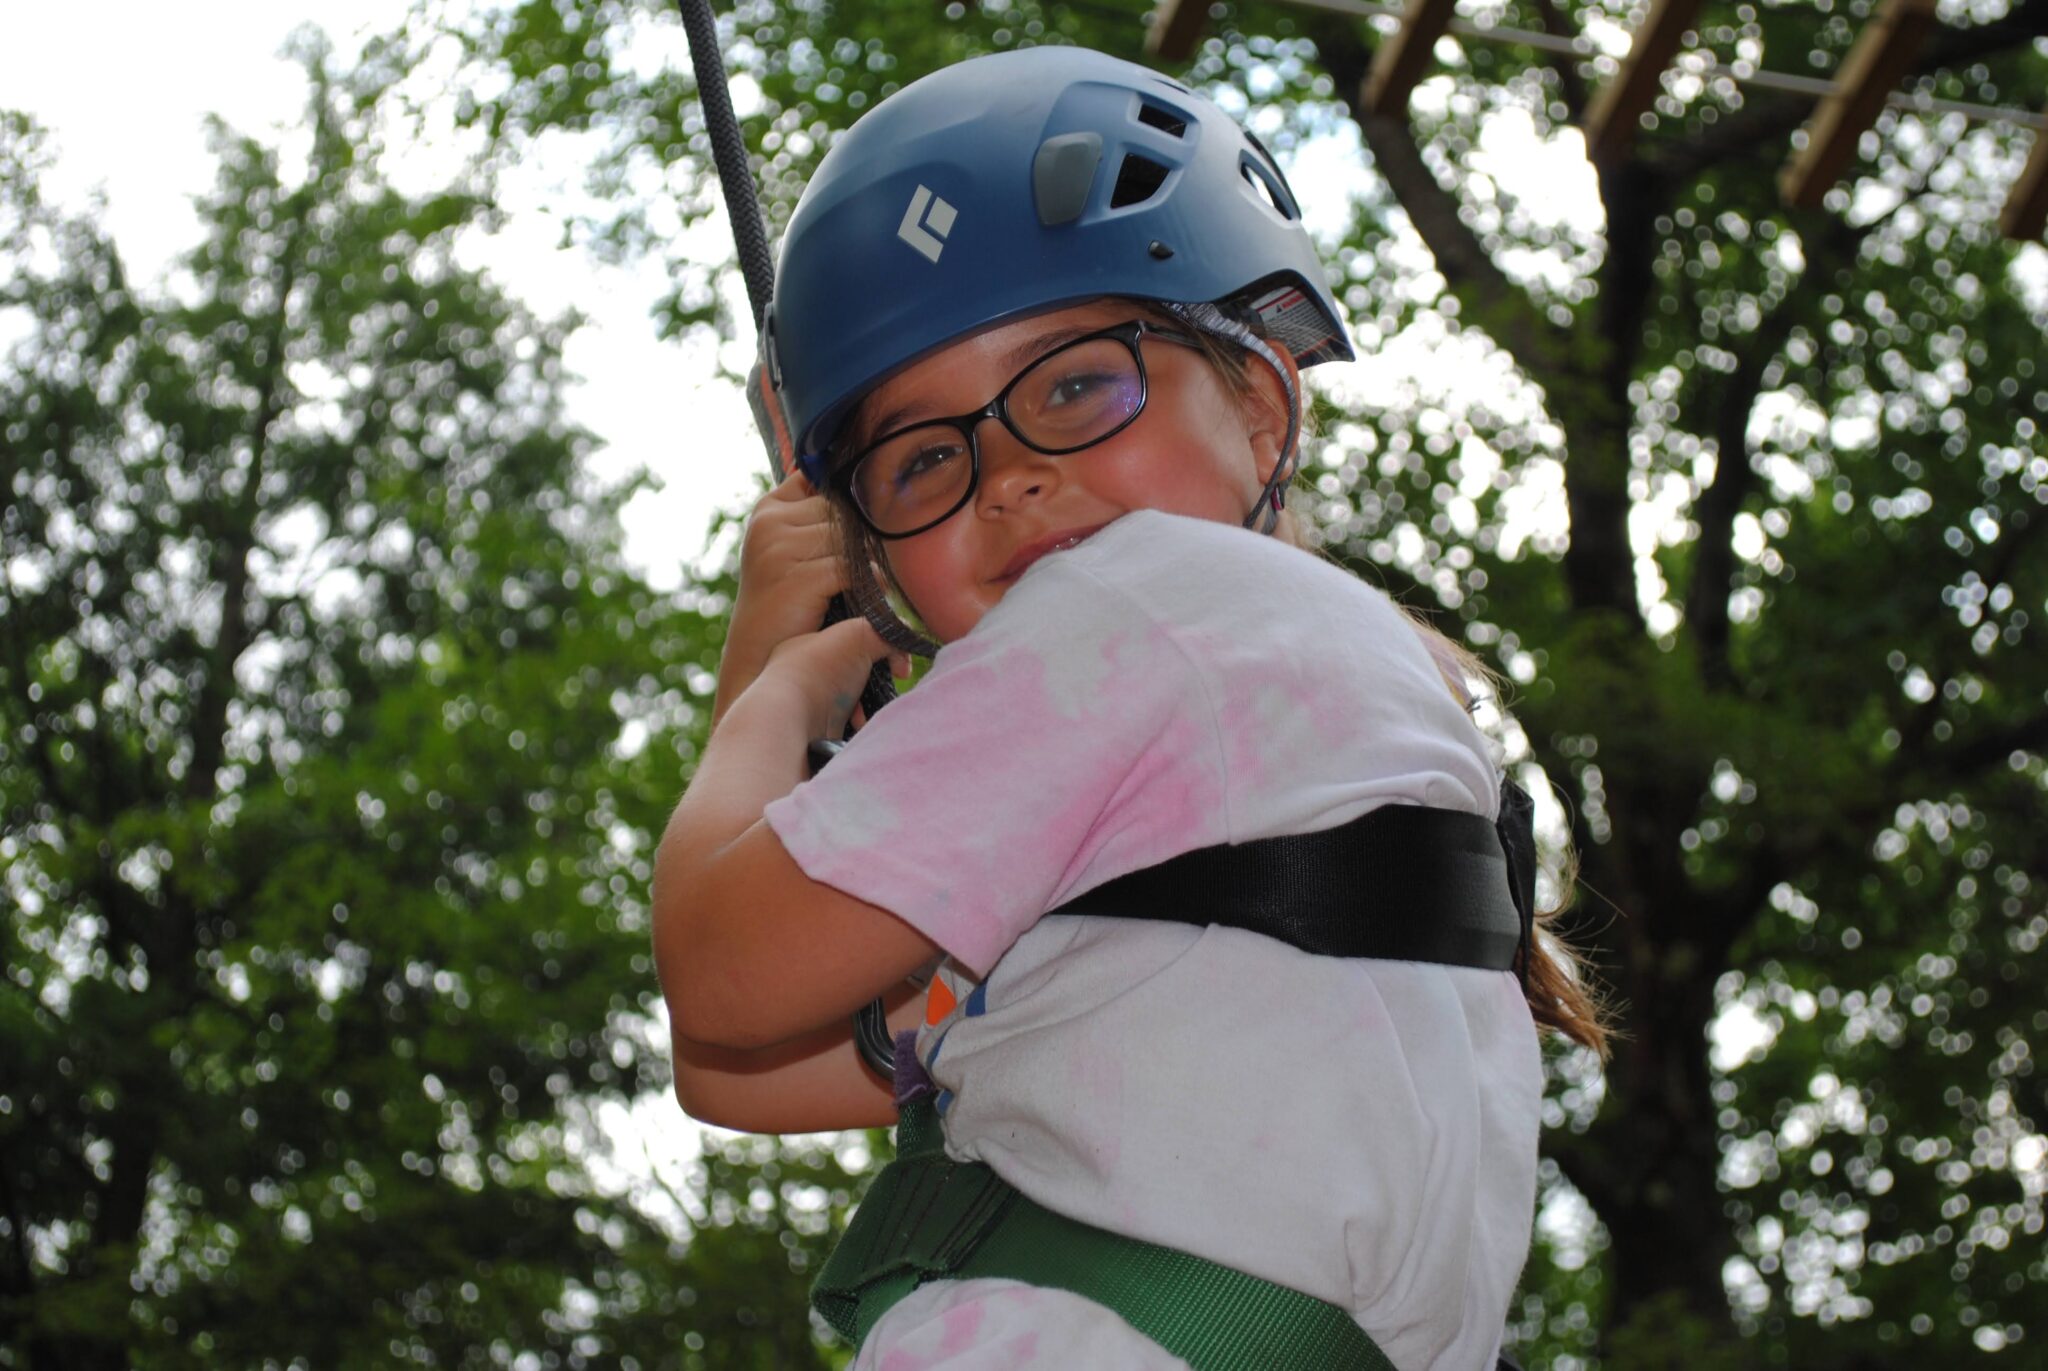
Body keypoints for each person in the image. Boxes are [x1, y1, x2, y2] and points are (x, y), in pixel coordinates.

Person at [652, 45, 1607, 1371]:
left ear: (1262, 413)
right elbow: (741, 1070)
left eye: (1073, 385)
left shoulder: (1146, 605)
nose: (1012, 478)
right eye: (923, 457)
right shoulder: (1295, 770)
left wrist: (771, 693)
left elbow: (723, 976)